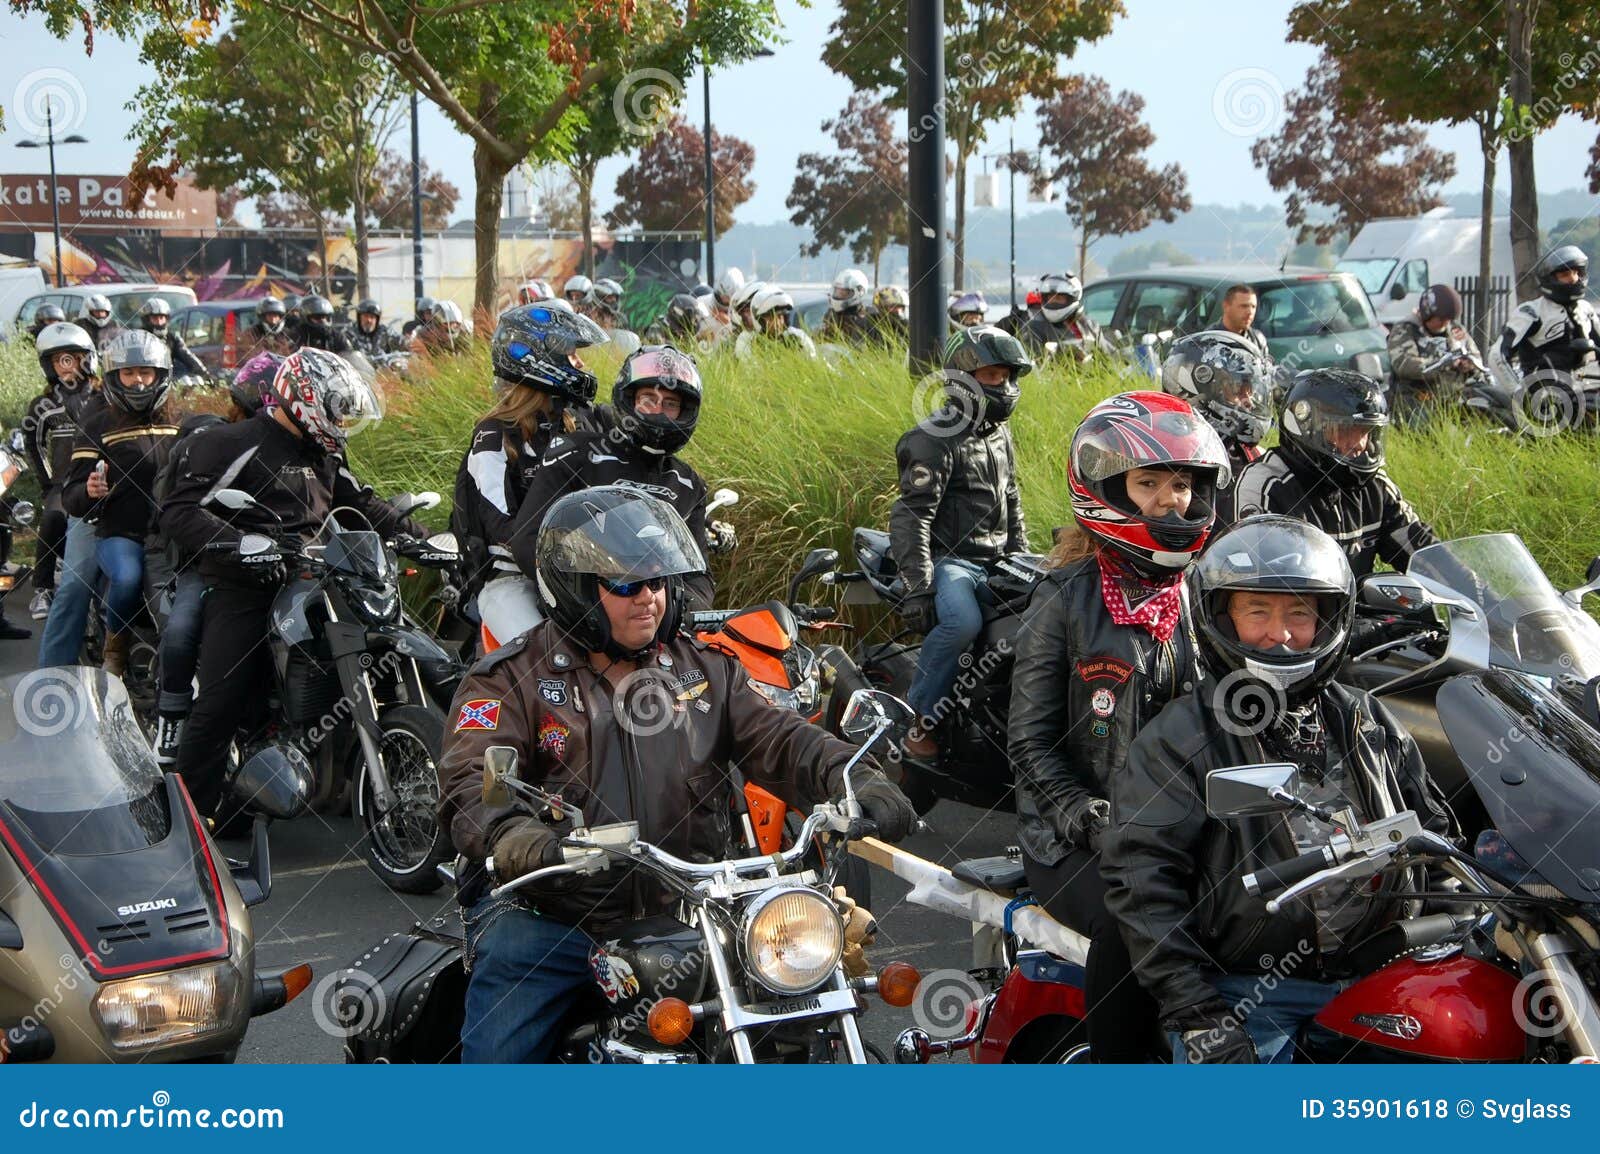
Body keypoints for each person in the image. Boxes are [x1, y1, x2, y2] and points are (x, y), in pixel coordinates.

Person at [437, 487, 916, 1063]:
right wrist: (511, 834)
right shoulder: (510, 680)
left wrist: (853, 776)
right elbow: (470, 779)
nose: (649, 599)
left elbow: (782, 738)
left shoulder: (704, 672)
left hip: (686, 911)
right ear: (576, 589)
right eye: (626, 585)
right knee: (498, 1069)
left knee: (804, 1012)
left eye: (658, 582)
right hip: (555, 915)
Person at [1101, 515, 1451, 1063]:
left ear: (1329, 619)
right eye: (1257, 611)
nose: (1280, 633)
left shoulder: (1365, 718)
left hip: (1379, 978)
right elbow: (1143, 882)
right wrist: (1197, 1012)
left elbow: (1434, 831)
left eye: (1299, 613)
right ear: (1221, 615)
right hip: (1247, 995)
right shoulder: (1182, 736)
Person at [1007, 390, 1230, 1063]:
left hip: (1181, 823)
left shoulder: (1205, 597)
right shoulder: (1065, 598)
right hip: (1073, 840)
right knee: (1129, 920)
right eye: (1150, 482)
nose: (1172, 501)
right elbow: (1029, 741)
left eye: (1183, 483)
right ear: (1111, 489)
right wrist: (1086, 816)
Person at [160, 349, 429, 818]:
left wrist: (420, 540)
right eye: (337, 408)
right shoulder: (229, 443)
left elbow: (359, 502)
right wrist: (241, 541)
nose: (343, 420)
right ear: (305, 400)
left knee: (386, 651)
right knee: (223, 698)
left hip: (316, 577)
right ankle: (190, 817)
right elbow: (180, 512)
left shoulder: (322, 448)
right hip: (243, 582)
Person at [892, 326, 1032, 760]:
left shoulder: (999, 434)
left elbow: (1012, 500)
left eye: (1008, 376)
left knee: (1050, 607)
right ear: (963, 379)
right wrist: (918, 586)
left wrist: (1024, 555)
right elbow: (912, 514)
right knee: (962, 624)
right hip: (952, 561)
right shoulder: (933, 439)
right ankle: (919, 720)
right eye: (991, 376)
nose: (1004, 386)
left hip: (1000, 560)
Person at [509, 344, 723, 611]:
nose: (658, 410)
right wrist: (589, 601)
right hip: (578, 616)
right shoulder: (575, 453)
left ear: (685, 411)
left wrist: (678, 612)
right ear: (628, 399)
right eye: (649, 399)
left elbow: (698, 575)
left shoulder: (688, 483)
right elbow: (529, 540)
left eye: (670, 404)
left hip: (654, 619)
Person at [146, 354, 275, 764]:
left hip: (271, 564)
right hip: (203, 565)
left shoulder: (292, 451)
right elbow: (175, 516)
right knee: (182, 630)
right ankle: (172, 718)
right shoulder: (211, 443)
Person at [450, 303, 610, 614]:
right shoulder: (494, 434)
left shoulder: (582, 420)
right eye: (572, 355)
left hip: (584, 572)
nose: (582, 364)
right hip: (512, 577)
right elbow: (501, 528)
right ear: (542, 360)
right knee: (538, 650)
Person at [1234, 369, 1435, 578]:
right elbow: (1268, 585)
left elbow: (1424, 553)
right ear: (1309, 427)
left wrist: (1469, 587)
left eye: (1364, 432)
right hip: (1296, 609)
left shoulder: (1377, 487)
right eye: (1346, 430)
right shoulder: (1266, 485)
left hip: (1359, 609)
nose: (1358, 444)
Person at [61, 330, 180, 677]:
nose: (139, 381)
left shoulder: (182, 422)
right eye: (129, 373)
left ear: (161, 375)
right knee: (127, 578)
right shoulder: (98, 425)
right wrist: (90, 489)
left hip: (175, 533)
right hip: (122, 534)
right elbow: (71, 496)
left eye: (146, 372)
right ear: (115, 377)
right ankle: (115, 650)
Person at [21, 322, 100, 627]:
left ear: (87, 359)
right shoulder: (44, 405)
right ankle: (42, 588)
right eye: (58, 360)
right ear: (49, 366)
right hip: (64, 483)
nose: (66, 366)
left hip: (101, 478)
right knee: (53, 518)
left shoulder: (102, 395)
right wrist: (49, 483)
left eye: (72, 357)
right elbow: (33, 441)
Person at [1160, 330, 1274, 524]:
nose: (1249, 402)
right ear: (1203, 386)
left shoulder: (1252, 455)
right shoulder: (1167, 454)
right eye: (1238, 389)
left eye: (1251, 391)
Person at [1492, 245, 1600, 394]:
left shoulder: (1586, 310)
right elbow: (1497, 355)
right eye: (1565, 275)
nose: (1573, 279)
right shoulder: (1531, 312)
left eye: (1576, 272)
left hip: (1580, 389)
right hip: (1543, 395)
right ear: (1550, 279)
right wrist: (1519, 394)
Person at [1385, 284, 1484, 421]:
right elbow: (1404, 365)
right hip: (1416, 399)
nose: (1445, 323)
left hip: (1452, 398)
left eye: (1448, 319)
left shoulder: (1455, 330)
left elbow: (1475, 356)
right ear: (1427, 313)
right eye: (1441, 319)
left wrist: (1468, 364)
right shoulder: (1405, 329)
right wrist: (1442, 364)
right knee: (1424, 425)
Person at [1019, 273, 1113, 361]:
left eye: (1059, 298)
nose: (1053, 301)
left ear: (1073, 298)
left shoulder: (1090, 326)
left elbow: (1110, 357)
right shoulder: (1033, 328)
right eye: (1050, 298)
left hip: (1094, 376)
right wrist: (1064, 350)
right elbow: (1035, 363)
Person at [733, 286, 817, 360]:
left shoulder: (798, 337)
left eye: (780, 317)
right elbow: (749, 371)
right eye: (771, 318)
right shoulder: (747, 340)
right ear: (760, 320)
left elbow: (815, 364)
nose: (777, 323)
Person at [138, 297, 209, 380]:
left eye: (161, 318)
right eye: (155, 318)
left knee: (187, 380)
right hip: (143, 379)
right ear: (146, 320)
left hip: (167, 379)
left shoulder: (172, 338)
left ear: (166, 319)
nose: (159, 322)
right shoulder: (138, 338)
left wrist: (205, 374)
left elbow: (187, 356)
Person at [1211, 284, 1272, 362]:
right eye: (1244, 306)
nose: (1250, 312)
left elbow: (1266, 371)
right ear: (1226, 306)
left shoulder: (1257, 339)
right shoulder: (1209, 339)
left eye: (1253, 306)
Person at [821, 269, 877, 346]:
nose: (838, 295)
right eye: (837, 292)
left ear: (859, 292)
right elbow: (821, 340)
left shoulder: (869, 317)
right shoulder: (832, 314)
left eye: (843, 293)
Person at [704, 267, 745, 343]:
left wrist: (728, 323)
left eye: (727, 297)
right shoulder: (703, 303)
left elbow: (744, 336)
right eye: (720, 295)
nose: (723, 299)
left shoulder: (743, 314)